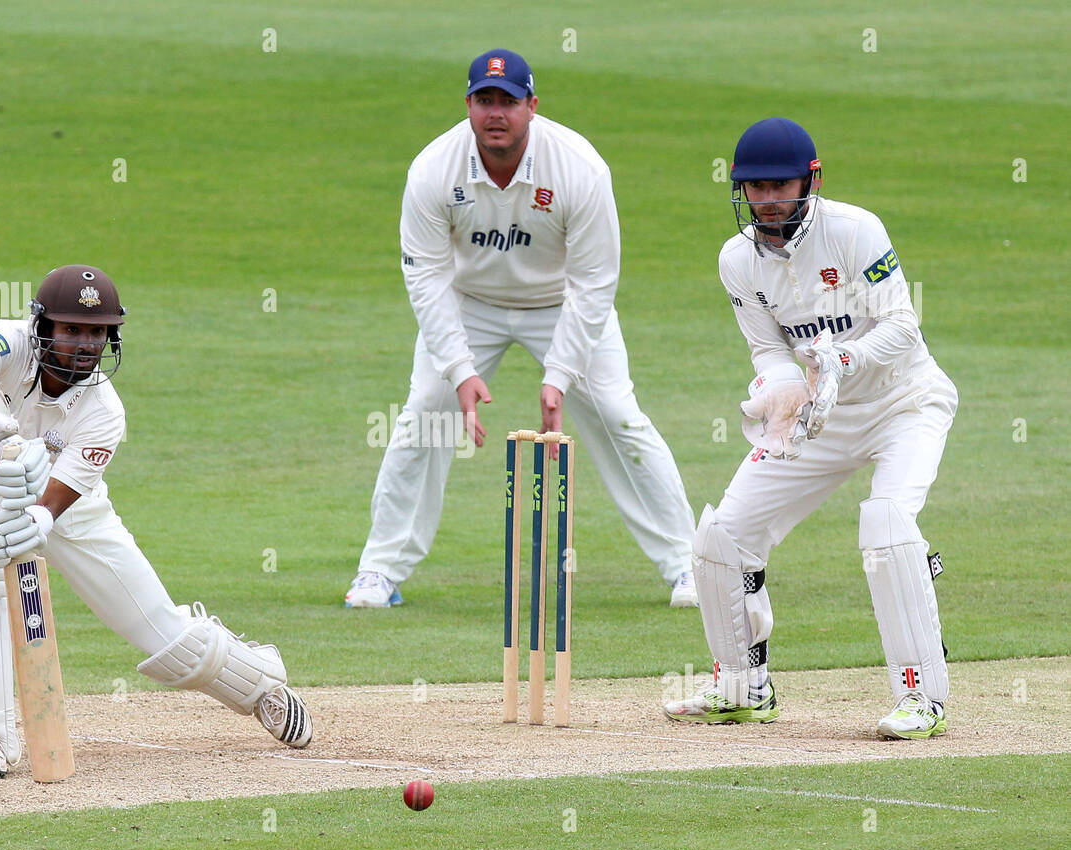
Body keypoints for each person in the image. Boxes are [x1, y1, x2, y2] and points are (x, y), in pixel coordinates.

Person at [345, 48, 698, 610]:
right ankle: (379, 571)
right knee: (424, 413)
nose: (496, 113)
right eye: (484, 101)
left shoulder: (579, 168)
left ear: (532, 106)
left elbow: (595, 283)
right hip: (469, 302)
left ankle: (689, 565)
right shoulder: (433, 169)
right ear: (467, 106)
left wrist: (558, 376)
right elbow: (428, 280)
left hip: (562, 303)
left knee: (617, 416)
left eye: (508, 101)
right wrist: (459, 372)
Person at [0, 264, 312, 778]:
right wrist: (1, 432)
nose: (86, 343)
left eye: (97, 331)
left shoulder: (105, 411)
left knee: (161, 634)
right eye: (73, 329)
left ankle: (258, 679)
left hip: (69, 510)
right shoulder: (11, 341)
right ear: (43, 327)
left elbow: (54, 505)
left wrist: (39, 519)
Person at [664, 118, 958, 739]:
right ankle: (742, 686)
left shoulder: (855, 230)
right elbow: (766, 350)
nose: (767, 200)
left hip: (903, 404)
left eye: (780, 185)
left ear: (810, 180)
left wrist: (841, 361)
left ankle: (921, 697)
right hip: (817, 418)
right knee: (723, 534)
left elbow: (902, 326)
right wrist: (782, 389)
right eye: (754, 187)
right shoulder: (738, 259)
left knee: (887, 526)